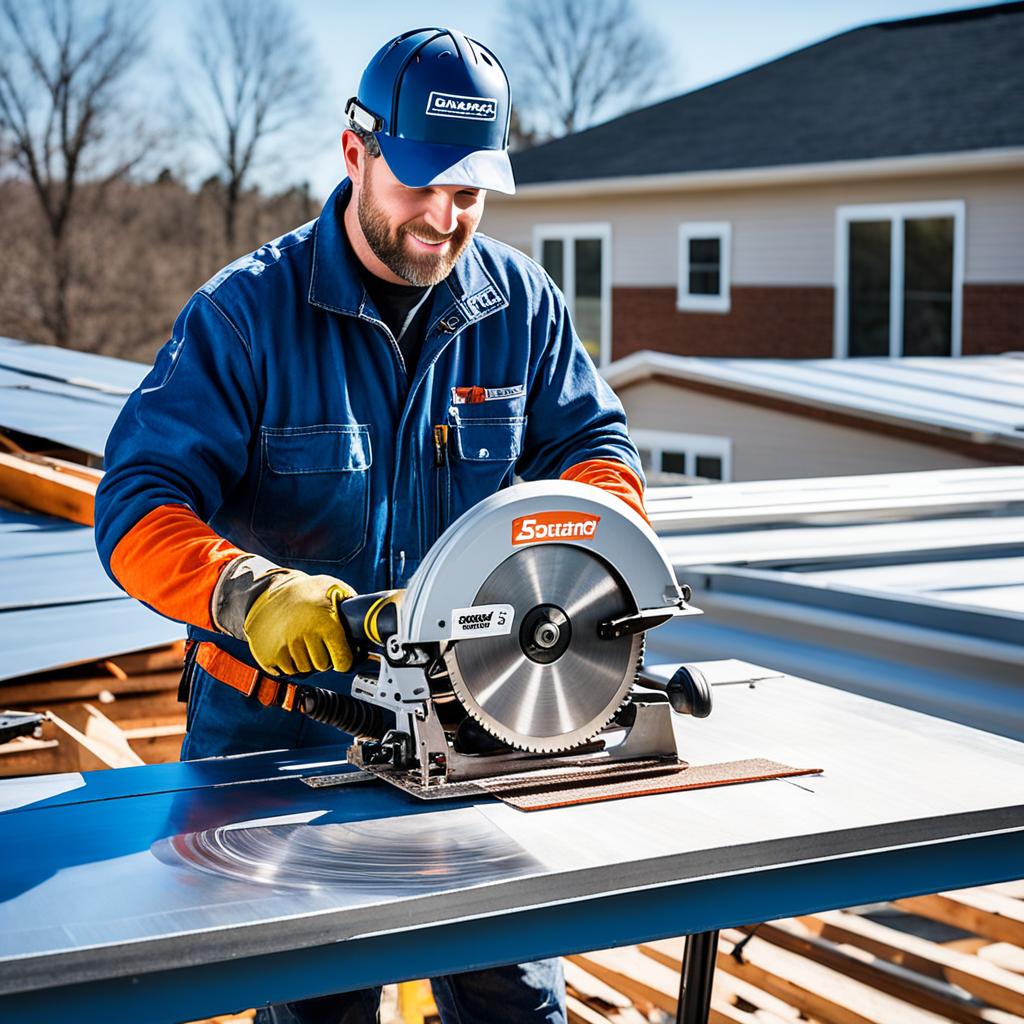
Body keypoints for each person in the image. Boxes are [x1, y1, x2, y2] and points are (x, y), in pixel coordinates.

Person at [94, 26, 646, 1024]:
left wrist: (592, 556)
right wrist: (246, 589)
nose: (444, 216)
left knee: (514, 999)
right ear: (357, 155)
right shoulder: (243, 318)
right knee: (320, 1009)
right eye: (420, 183)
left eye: (470, 190)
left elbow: (594, 448)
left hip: (477, 730)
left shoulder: (520, 306)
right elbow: (135, 508)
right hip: (280, 746)